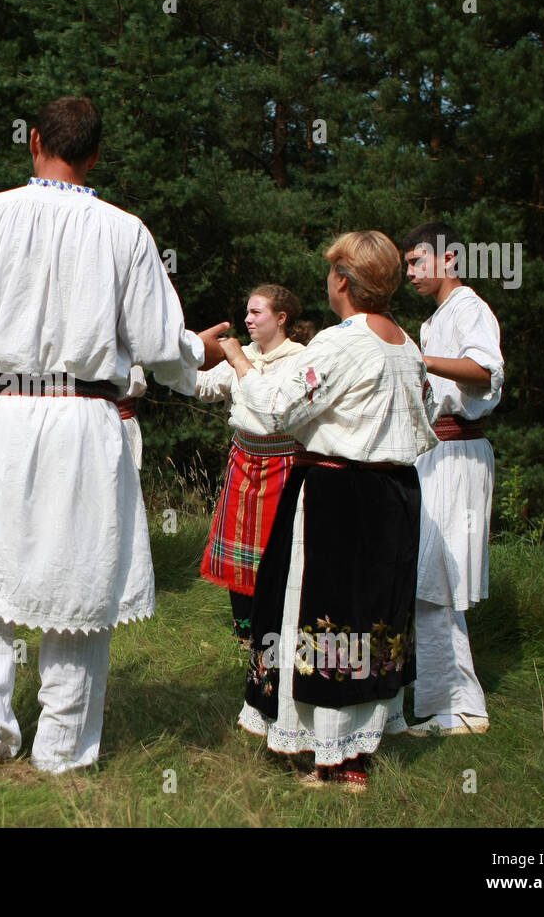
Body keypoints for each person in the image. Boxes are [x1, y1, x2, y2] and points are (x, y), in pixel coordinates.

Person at [0, 96, 226, 773]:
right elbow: (159, 343)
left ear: (33, 141)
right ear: (95, 153)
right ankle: (60, 750)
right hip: (82, 419)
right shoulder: (126, 232)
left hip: (1, 414)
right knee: (79, 582)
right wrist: (194, 353)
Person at [224, 231, 437, 792]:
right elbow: (426, 416)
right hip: (395, 495)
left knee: (321, 615)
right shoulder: (406, 345)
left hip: (338, 492)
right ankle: (354, 749)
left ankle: (333, 760)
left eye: (330, 273)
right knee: (372, 616)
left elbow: (273, 409)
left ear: (342, 281)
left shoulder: (342, 343)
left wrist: (238, 362)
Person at [402, 222, 504, 736]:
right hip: (435, 453)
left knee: (438, 577)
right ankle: (443, 699)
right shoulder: (435, 318)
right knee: (427, 577)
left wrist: (418, 363)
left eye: (419, 261)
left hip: (459, 451)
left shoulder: (470, 308)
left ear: (451, 259)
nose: (411, 272)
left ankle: (461, 708)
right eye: (407, 264)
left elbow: (486, 371)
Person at [196, 284, 312, 650]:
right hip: (244, 460)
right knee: (239, 545)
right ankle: (245, 630)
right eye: (247, 312)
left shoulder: (300, 359)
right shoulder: (243, 354)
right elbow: (203, 387)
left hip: (283, 463)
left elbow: (275, 409)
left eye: (256, 312)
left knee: (275, 547)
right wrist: (175, 357)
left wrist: (238, 362)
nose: (247, 319)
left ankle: (275, 627)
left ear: (281, 318)